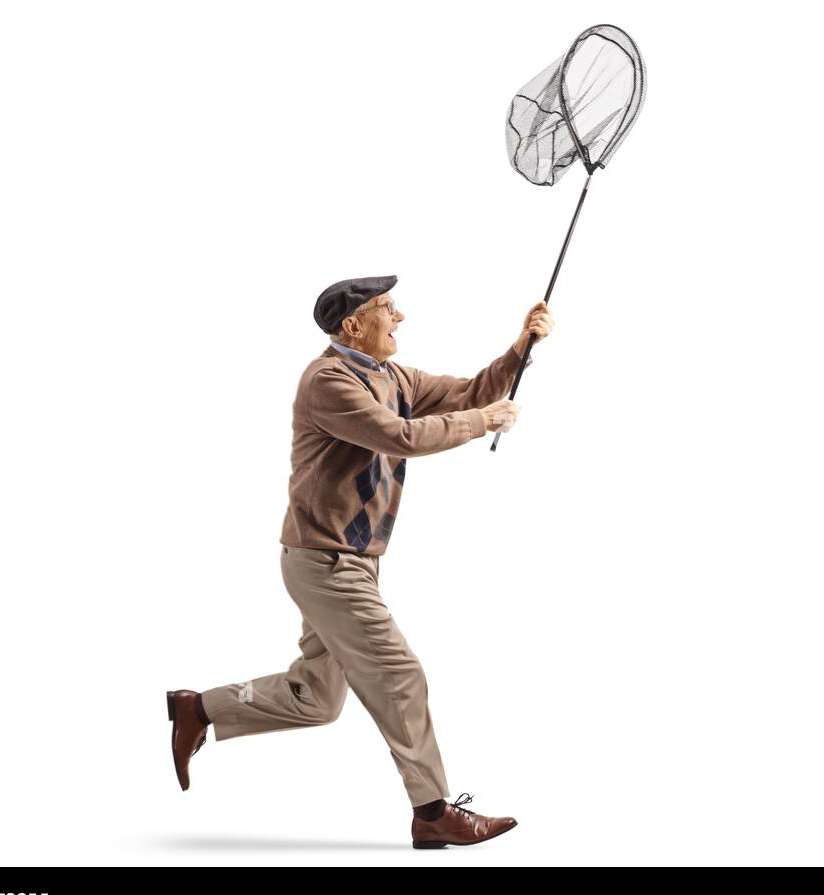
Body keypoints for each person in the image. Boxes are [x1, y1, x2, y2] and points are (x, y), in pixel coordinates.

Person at [166, 274, 553, 849]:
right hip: (327, 563)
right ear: (352, 325)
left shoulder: (391, 375)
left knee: (316, 699)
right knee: (399, 674)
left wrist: (520, 349)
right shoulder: (327, 381)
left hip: (348, 562)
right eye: (388, 308)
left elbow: (470, 391)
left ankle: (201, 708)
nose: (400, 318)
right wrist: (483, 424)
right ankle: (432, 812)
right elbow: (399, 437)